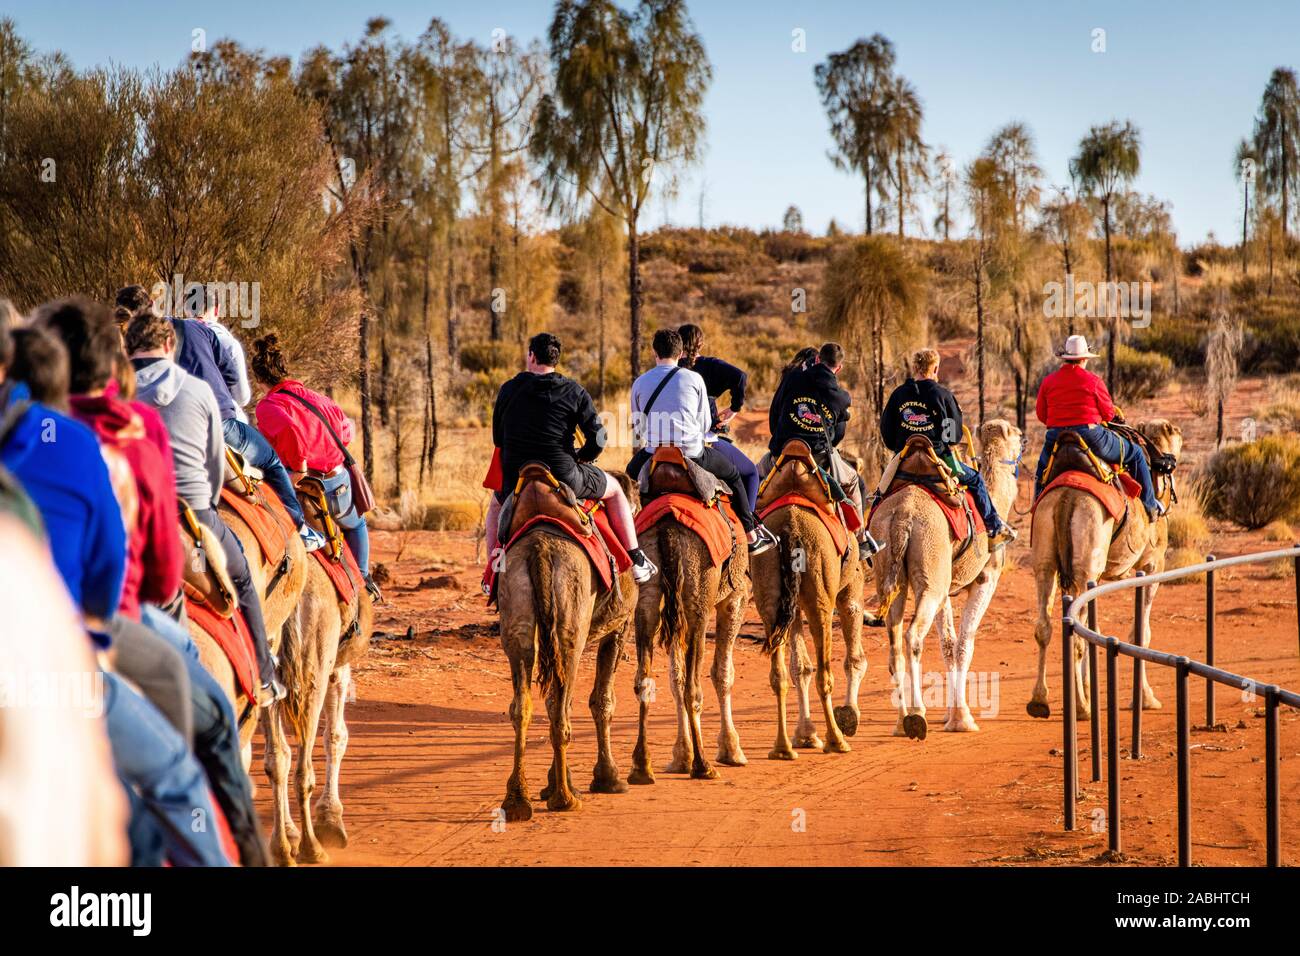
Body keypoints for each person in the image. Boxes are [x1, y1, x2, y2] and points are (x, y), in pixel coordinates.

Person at [36, 298, 267, 865]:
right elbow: (158, 569)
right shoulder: (133, 431)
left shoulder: (37, 429)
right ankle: (264, 668)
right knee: (200, 743)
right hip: (93, 632)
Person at [125, 311, 285, 707]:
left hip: (137, 519)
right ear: (169, 347)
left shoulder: (115, 392)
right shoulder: (199, 392)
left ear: (128, 348)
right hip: (197, 516)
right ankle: (264, 677)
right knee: (244, 579)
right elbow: (216, 465)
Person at [116, 284, 325, 553]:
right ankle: (300, 529)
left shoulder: (119, 344)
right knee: (271, 460)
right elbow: (238, 390)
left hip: (153, 437)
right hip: (218, 425)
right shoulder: (197, 329)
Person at [485, 332, 656, 583]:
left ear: (532, 356)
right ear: (556, 359)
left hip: (517, 478)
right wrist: (582, 457)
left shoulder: (509, 389)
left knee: (495, 507)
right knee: (617, 489)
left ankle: (492, 573)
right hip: (565, 475)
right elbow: (598, 438)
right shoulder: (573, 390)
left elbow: (498, 439)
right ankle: (636, 558)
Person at [249, 333, 380, 601]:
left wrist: (298, 469)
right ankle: (363, 581)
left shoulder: (268, 406)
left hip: (305, 485)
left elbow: (289, 433)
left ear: (258, 379)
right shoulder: (317, 398)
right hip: (338, 481)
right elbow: (345, 432)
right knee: (356, 526)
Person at [628, 328, 776, 555]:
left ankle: (626, 541)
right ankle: (749, 532)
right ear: (679, 354)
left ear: (654, 351)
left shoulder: (640, 382)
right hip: (693, 453)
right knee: (735, 475)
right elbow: (703, 423)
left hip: (654, 453)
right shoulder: (695, 379)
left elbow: (638, 427)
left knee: (627, 479)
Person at [880, 348, 1016, 546]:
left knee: (879, 494)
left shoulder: (898, 395)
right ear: (935, 368)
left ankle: (867, 534)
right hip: (938, 461)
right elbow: (952, 437)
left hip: (902, 460)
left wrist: (899, 444)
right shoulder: (943, 395)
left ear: (915, 367)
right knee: (976, 480)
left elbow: (887, 432)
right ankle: (993, 526)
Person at [766, 341, 880, 562]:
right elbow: (837, 436)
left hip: (782, 453)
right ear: (839, 367)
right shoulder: (840, 396)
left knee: (752, 478)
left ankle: (747, 534)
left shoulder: (791, 379)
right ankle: (860, 539)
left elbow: (773, 419)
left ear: (818, 359)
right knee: (856, 483)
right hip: (818, 457)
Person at [1033, 334, 1163, 522]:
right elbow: (1109, 414)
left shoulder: (1048, 381)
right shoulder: (1093, 381)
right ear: (1085, 359)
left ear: (1065, 358)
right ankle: (1150, 507)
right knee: (1135, 453)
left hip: (1056, 438)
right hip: (1091, 437)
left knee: (1041, 470)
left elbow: (1041, 415)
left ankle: (1037, 505)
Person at [675, 323, 760, 511]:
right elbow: (740, 377)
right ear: (701, 345)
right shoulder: (710, 366)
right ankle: (750, 526)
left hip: (666, 444)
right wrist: (734, 408)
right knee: (751, 473)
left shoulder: (668, 371)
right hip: (703, 441)